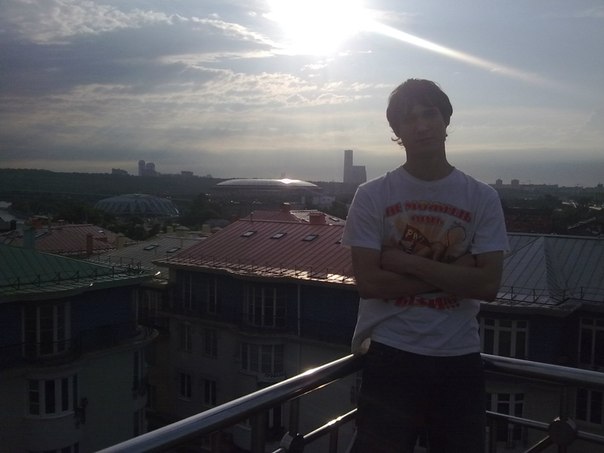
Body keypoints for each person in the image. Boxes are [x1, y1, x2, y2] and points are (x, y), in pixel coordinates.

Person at [342, 78, 509, 453]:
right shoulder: (372, 195)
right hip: (392, 356)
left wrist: (403, 261)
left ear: (446, 119)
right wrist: (457, 272)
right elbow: (370, 284)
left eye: (429, 114)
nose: (421, 126)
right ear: (397, 132)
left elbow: (487, 286)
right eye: (409, 119)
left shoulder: (482, 197)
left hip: (459, 358)